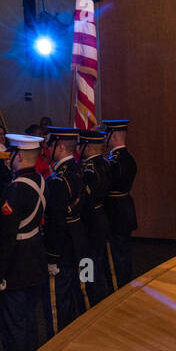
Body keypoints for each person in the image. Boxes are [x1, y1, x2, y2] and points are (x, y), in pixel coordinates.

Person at [0, 134, 48, 351]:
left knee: (14, 329)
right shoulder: (40, 180)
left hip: (16, 266)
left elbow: (7, 238)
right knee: (29, 323)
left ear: (19, 156)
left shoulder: (15, 190)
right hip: (35, 259)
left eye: (12, 154)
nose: (9, 158)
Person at [43, 127, 86, 337]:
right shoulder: (79, 169)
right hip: (79, 243)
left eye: (49, 145)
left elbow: (55, 223)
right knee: (78, 294)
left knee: (57, 305)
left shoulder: (58, 180)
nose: (46, 149)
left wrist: (52, 258)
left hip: (62, 249)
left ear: (59, 147)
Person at [78, 129, 114, 303]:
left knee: (89, 263)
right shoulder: (105, 163)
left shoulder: (89, 170)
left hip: (89, 224)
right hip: (101, 218)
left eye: (81, 144)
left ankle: (91, 299)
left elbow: (86, 199)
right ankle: (97, 294)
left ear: (88, 147)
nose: (78, 148)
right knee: (97, 261)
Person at [101, 120, 137, 288]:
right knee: (125, 253)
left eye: (107, 135)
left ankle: (117, 290)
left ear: (112, 136)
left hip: (113, 212)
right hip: (126, 208)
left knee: (115, 257)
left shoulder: (113, 162)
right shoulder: (130, 158)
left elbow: (105, 186)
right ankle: (126, 285)